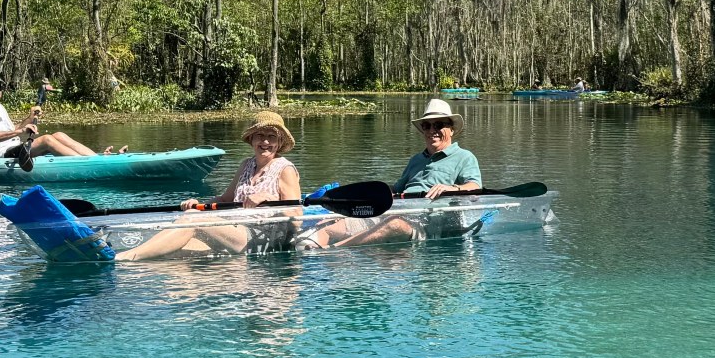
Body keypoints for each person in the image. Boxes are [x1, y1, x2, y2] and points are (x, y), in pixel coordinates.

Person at [298, 97, 482, 250]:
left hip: (430, 225)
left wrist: (452, 188)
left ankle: (333, 250)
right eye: (427, 125)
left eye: (439, 125)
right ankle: (307, 250)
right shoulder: (416, 160)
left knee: (394, 224)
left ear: (451, 129)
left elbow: (475, 188)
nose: (432, 130)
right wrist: (366, 195)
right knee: (330, 224)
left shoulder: (464, 157)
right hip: (397, 212)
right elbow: (395, 189)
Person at [117, 112, 300, 262]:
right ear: (252, 139)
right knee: (174, 253)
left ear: (279, 142)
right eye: (260, 135)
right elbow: (225, 199)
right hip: (233, 229)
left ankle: (126, 258)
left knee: (193, 218)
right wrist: (199, 206)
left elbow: (297, 216)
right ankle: (139, 270)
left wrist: (269, 199)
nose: (265, 142)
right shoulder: (246, 164)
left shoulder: (285, 169)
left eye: (271, 137)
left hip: (261, 237)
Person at [0, 80, 126, 159]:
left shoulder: (1, 107)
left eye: (0, 88)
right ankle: (85, 164)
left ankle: (96, 159)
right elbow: (16, 131)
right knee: (46, 140)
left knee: (59, 135)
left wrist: (30, 118)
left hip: (16, 146)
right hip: (4, 153)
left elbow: (12, 129)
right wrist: (21, 131)